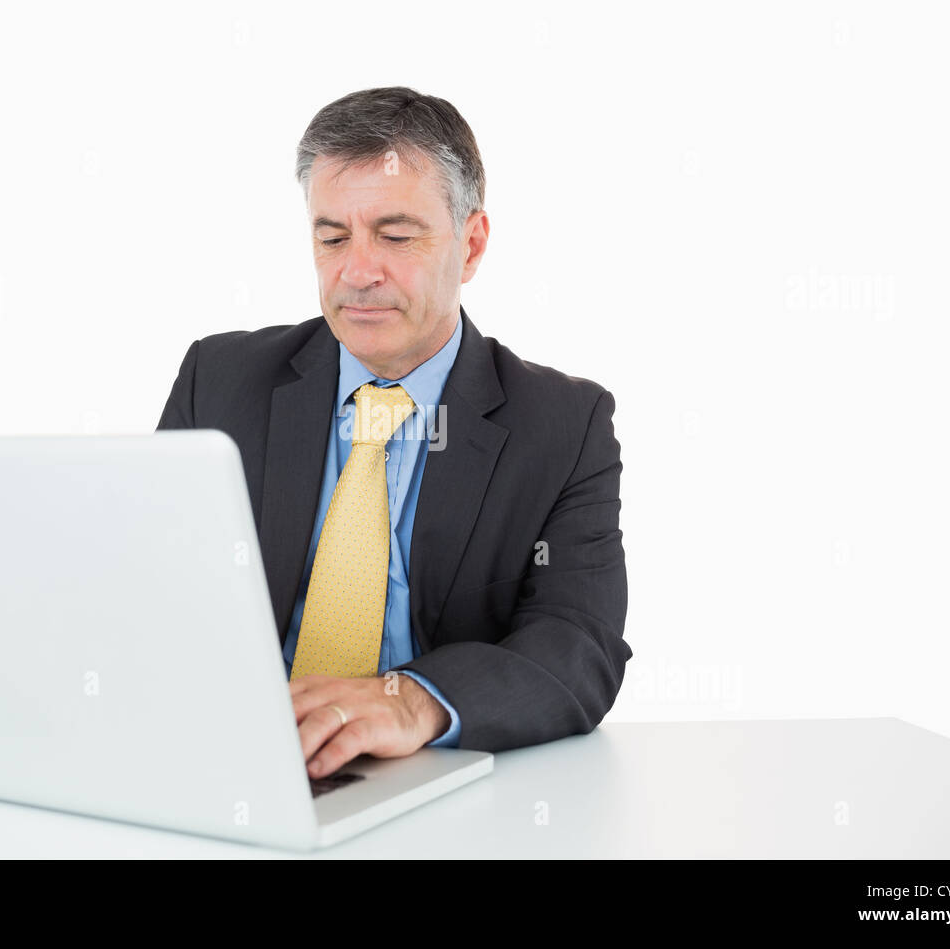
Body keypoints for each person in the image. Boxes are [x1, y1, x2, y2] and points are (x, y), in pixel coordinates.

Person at [157, 86, 629, 777]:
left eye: (396, 235)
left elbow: (578, 642)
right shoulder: (220, 380)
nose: (357, 272)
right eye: (332, 236)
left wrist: (414, 701)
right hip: (235, 766)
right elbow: (151, 585)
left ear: (470, 245)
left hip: (431, 779)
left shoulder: (561, 425)